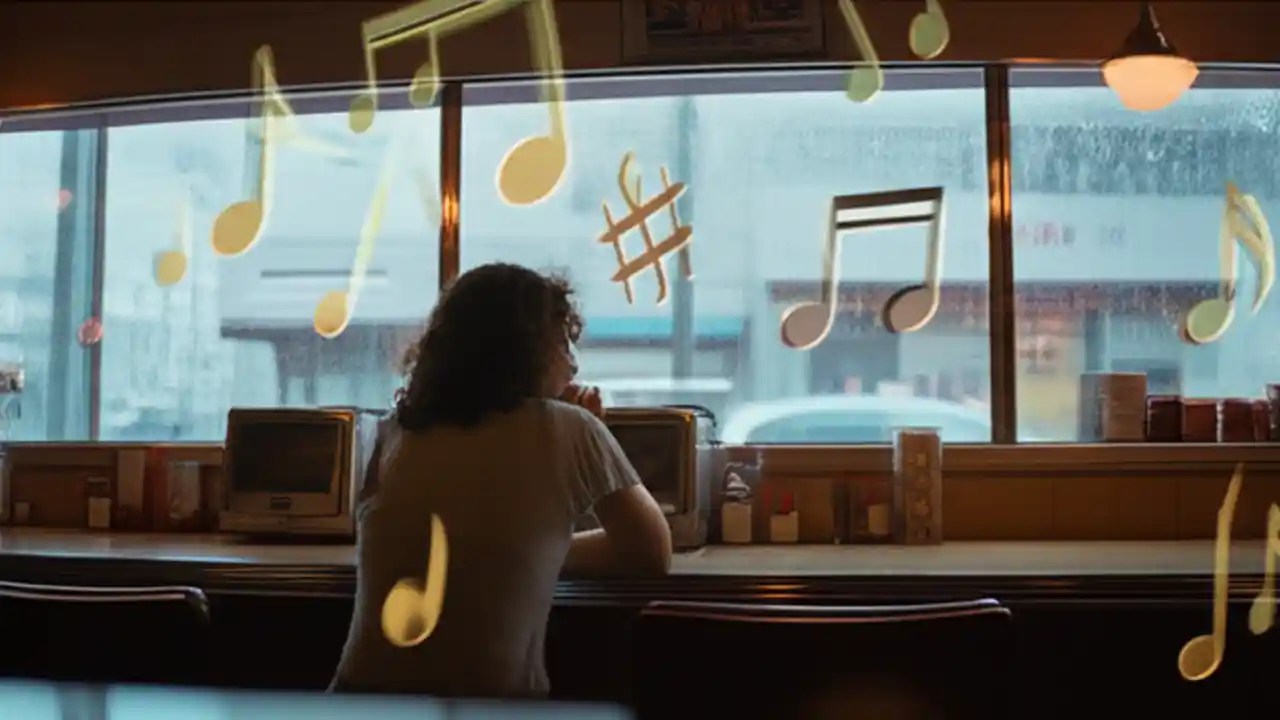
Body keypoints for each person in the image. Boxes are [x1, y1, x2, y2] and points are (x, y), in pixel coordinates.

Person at [331, 263, 672, 699]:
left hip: (355, 702)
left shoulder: (394, 432)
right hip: (492, 710)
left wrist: (527, 550)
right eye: (562, 340)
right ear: (527, 348)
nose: (574, 362)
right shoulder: (570, 426)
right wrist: (533, 551)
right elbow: (650, 550)